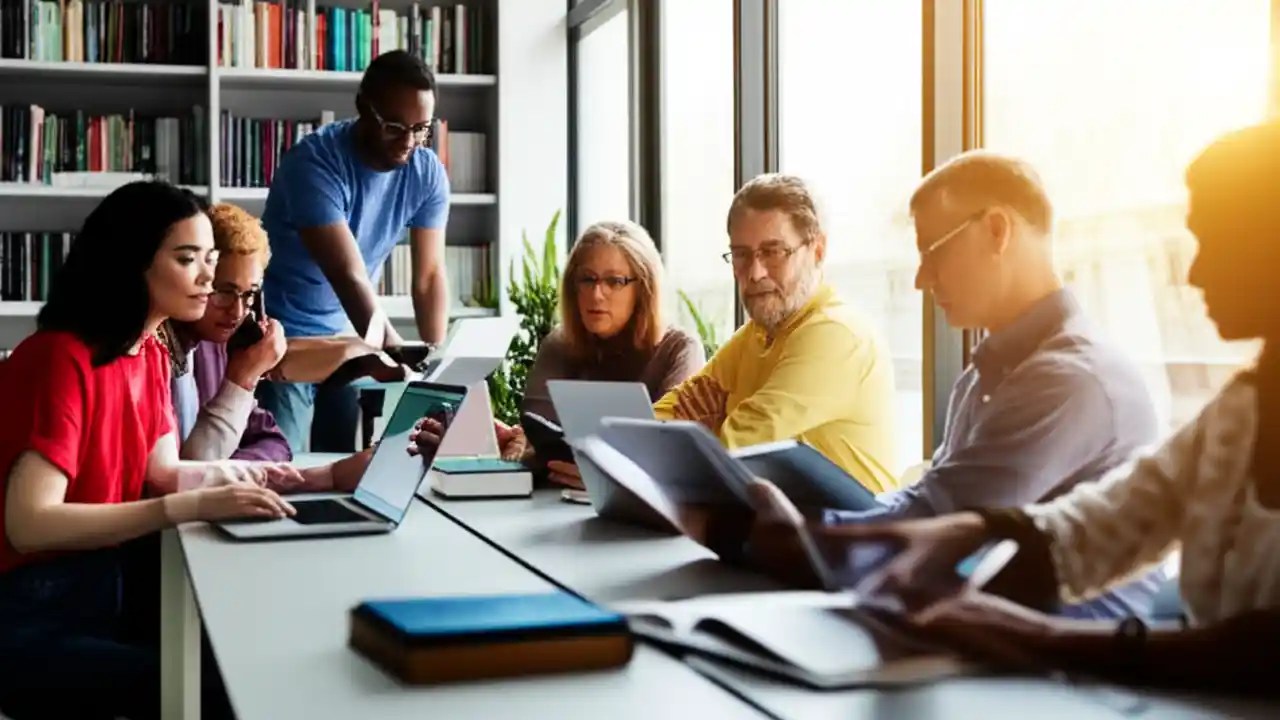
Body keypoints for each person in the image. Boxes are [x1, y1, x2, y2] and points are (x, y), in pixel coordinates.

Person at [741, 122, 1280, 695]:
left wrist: (1028, 634)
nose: (1194, 273)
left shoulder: (1077, 378)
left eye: (1217, 240)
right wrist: (969, 532)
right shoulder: (1240, 412)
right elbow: (1101, 525)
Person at [810, 151, 1161, 619]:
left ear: (997, 231)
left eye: (932, 251)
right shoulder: (982, 377)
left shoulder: (1073, 380)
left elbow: (943, 518)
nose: (920, 279)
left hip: (1080, 666)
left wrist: (800, 535)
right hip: (1000, 631)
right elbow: (931, 497)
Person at [0, 181, 299, 719]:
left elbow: (164, 473)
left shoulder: (149, 355)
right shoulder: (59, 358)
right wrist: (187, 507)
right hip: (29, 608)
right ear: (131, 263)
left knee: (259, 652)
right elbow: (29, 524)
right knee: (221, 688)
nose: (210, 278)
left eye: (209, 258)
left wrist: (325, 480)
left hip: (108, 582)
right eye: (189, 259)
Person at [654, 173, 900, 493]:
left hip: (848, 536)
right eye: (741, 254)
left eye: (773, 252)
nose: (755, 273)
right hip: (778, 527)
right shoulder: (755, 335)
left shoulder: (836, 333)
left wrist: (650, 453)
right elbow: (674, 411)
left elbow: (740, 445)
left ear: (818, 250)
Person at [257, 49, 452, 453]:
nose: (409, 142)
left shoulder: (426, 172)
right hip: (283, 343)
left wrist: (435, 363)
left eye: (421, 128)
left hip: (349, 343)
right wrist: (397, 352)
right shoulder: (314, 163)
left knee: (340, 464)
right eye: (395, 127)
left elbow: (429, 277)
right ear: (364, 106)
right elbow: (348, 275)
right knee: (279, 469)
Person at [413, 221, 705, 487]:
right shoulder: (560, 344)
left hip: (640, 513)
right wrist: (494, 445)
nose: (596, 294)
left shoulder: (679, 349)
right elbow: (539, 441)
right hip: (554, 505)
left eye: (614, 281)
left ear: (644, 288)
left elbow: (674, 458)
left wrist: (610, 478)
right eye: (587, 279)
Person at [161, 203, 372, 492]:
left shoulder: (219, 346)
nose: (237, 312)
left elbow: (272, 442)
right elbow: (183, 476)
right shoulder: (158, 352)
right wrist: (241, 382)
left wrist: (227, 467)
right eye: (224, 291)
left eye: (249, 295)